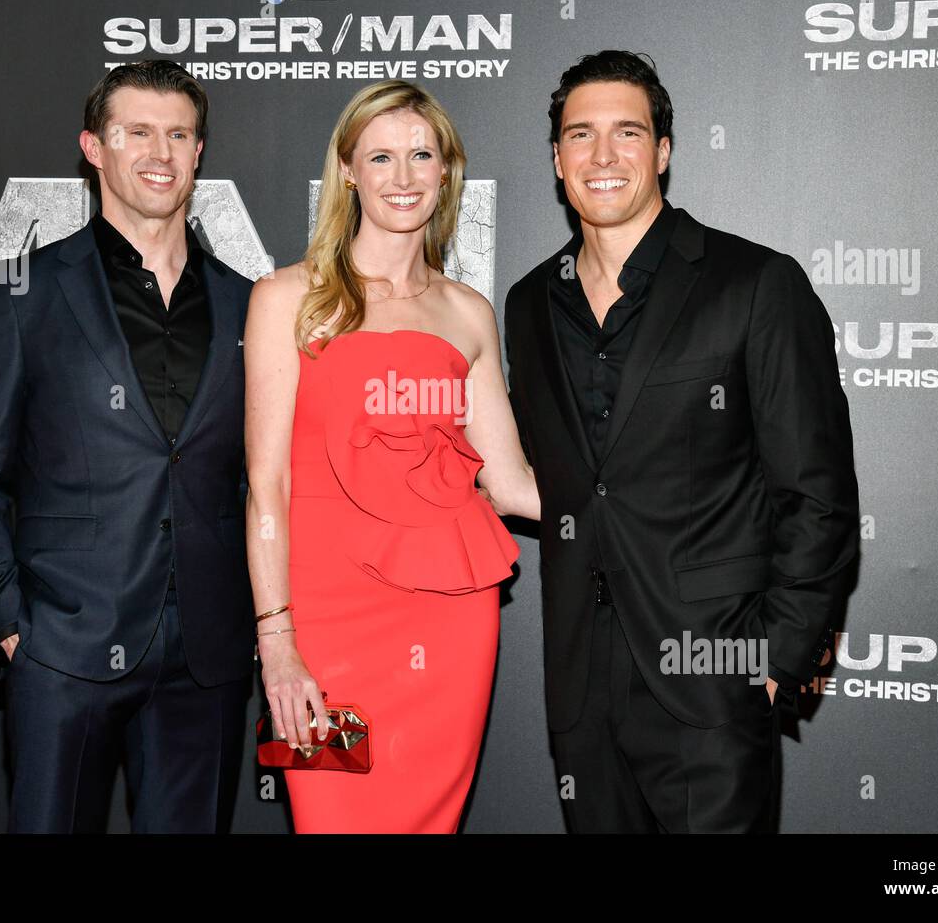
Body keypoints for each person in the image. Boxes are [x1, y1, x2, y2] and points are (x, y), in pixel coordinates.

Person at [499, 51, 859, 832]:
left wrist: (774, 662)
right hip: (579, 683)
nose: (602, 157)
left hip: (714, 677)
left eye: (627, 133)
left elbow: (817, 492)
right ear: (557, 158)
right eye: (579, 135)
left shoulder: (756, 283)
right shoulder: (530, 303)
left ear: (663, 150)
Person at [0, 60, 255, 833]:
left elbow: (265, 479)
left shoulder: (249, 302)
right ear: (94, 147)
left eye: (178, 134)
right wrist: (11, 622)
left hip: (207, 654)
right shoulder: (25, 293)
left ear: (199, 151)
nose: (161, 151)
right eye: (137, 132)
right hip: (64, 646)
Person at [244, 79, 539, 833]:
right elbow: (266, 485)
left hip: (450, 620)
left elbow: (510, 485)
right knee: (332, 817)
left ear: (447, 170)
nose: (403, 177)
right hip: (326, 623)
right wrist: (277, 641)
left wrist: (664, 491)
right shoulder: (289, 298)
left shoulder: (468, 311)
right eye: (381, 156)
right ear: (347, 171)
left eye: (420, 155)